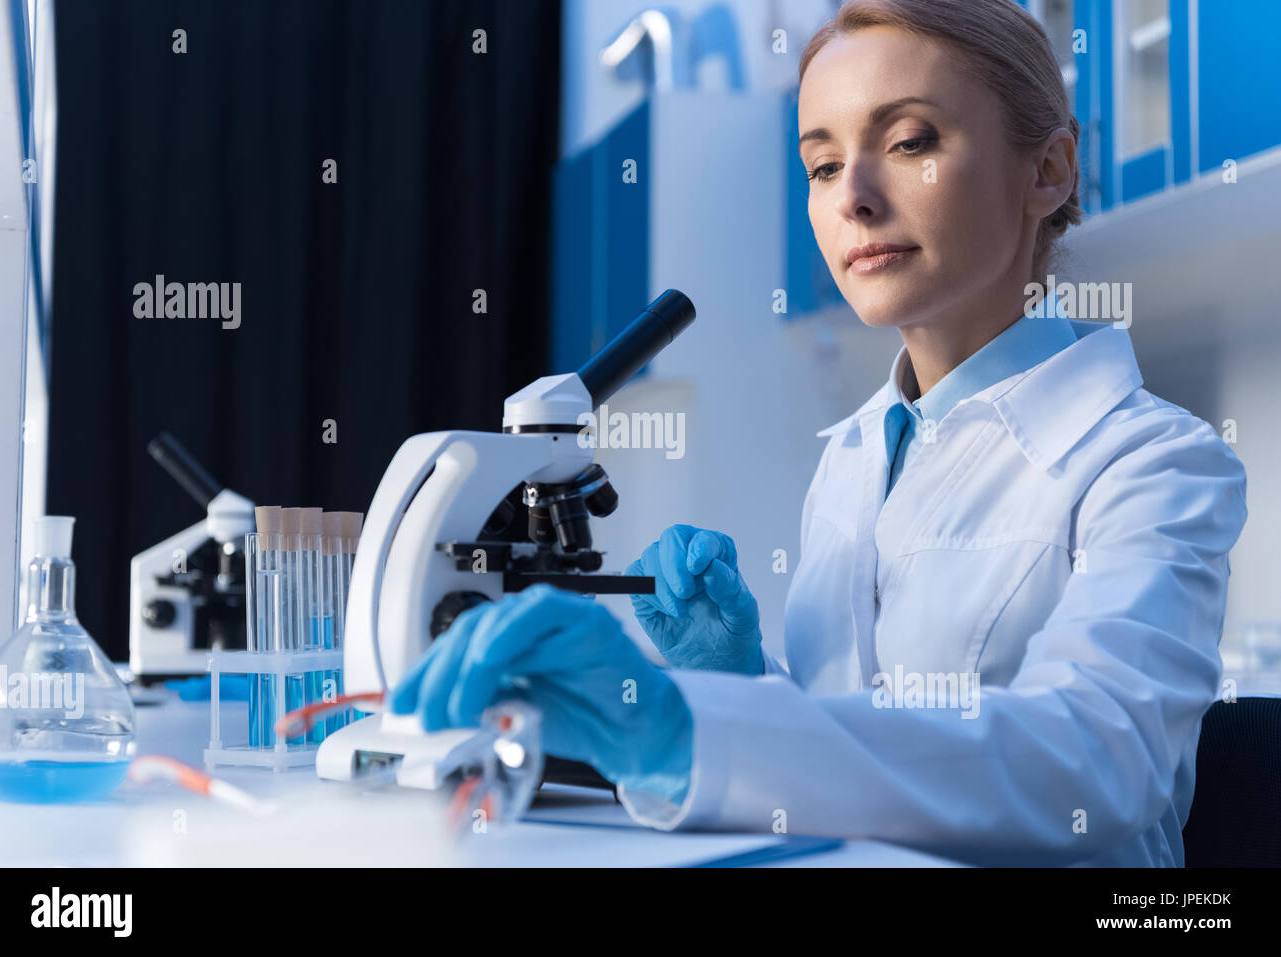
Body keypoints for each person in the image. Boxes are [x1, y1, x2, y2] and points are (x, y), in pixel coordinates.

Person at [389, 0, 1248, 866]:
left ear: (1049, 170)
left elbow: (1094, 761)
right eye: (823, 164)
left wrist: (684, 726)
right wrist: (739, 679)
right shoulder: (855, 453)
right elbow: (853, 752)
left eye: (910, 142)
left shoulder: (1155, 464)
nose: (854, 199)